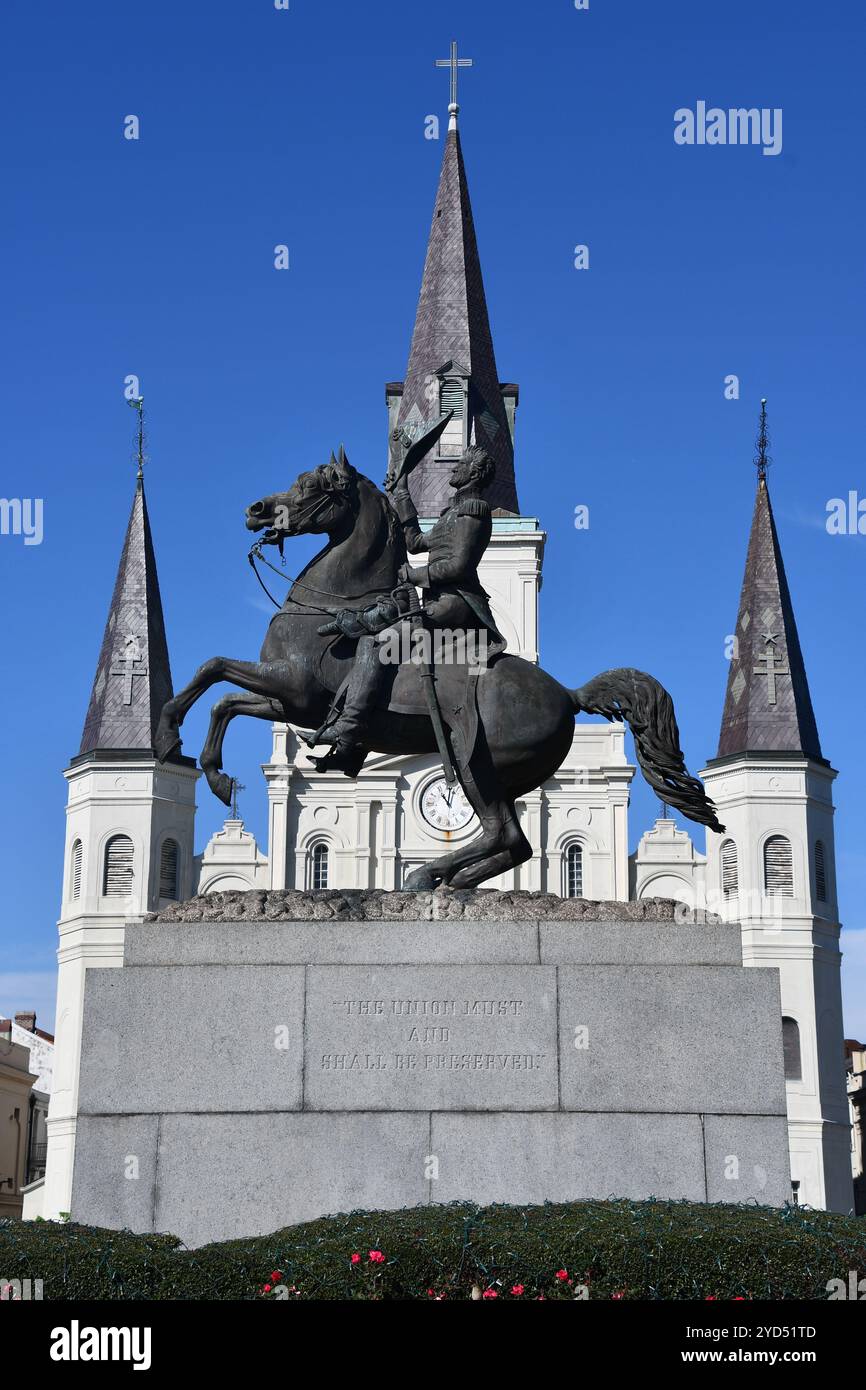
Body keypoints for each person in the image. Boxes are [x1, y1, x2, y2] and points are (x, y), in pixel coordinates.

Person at [309, 444, 504, 774]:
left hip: (454, 605)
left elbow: (458, 567)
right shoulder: (451, 514)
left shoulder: (473, 511)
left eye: (461, 465)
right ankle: (360, 739)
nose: (453, 469)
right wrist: (401, 491)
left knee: (377, 641)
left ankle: (350, 729)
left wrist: (415, 574)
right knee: (376, 624)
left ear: (473, 473)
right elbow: (415, 542)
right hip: (437, 600)